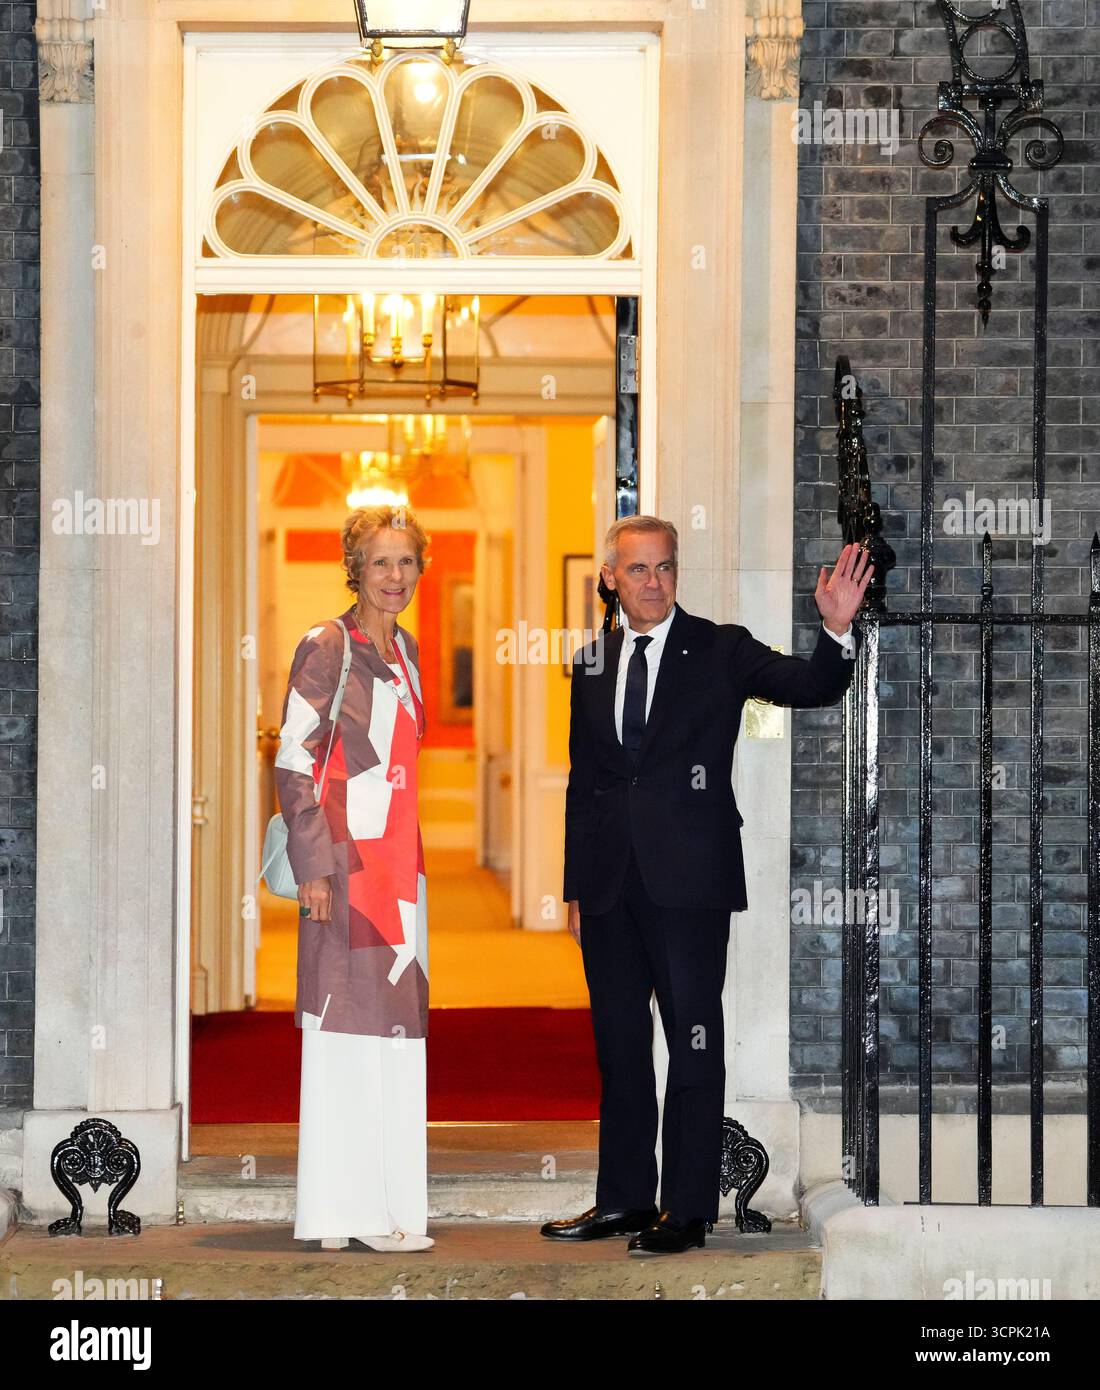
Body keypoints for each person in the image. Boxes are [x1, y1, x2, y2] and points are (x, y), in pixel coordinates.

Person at [542, 516, 872, 1254]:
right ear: (610, 578)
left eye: (663, 568)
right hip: (607, 889)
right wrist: (573, 882)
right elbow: (585, 782)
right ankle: (624, 1199)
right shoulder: (591, 663)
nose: (652, 582)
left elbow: (807, 684)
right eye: (637, 570)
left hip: (688, 883)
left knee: (693, 1042)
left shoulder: (720, 649)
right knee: (619, 1043)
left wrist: (836, 631)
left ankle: (686, 1210)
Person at [274, 504, 433, 1253]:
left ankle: (391, 1206)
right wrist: (312, 868)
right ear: (355, 567)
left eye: (406, 561)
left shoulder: (409, 656)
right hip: (343, 871)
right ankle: (340, 1214)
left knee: (396, 1040)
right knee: (342, 1035)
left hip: (403, 877)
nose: (395, 576)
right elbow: (295, 763)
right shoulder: (327, 646)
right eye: (380, 562)